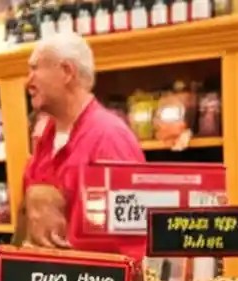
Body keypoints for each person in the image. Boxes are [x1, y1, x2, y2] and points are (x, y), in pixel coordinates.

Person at [21, 32, 146, 256]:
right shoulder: (45, 137)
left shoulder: (110, 137)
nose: (28, 81)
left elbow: (130, 249)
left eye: (35, 68)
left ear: (67, 71)